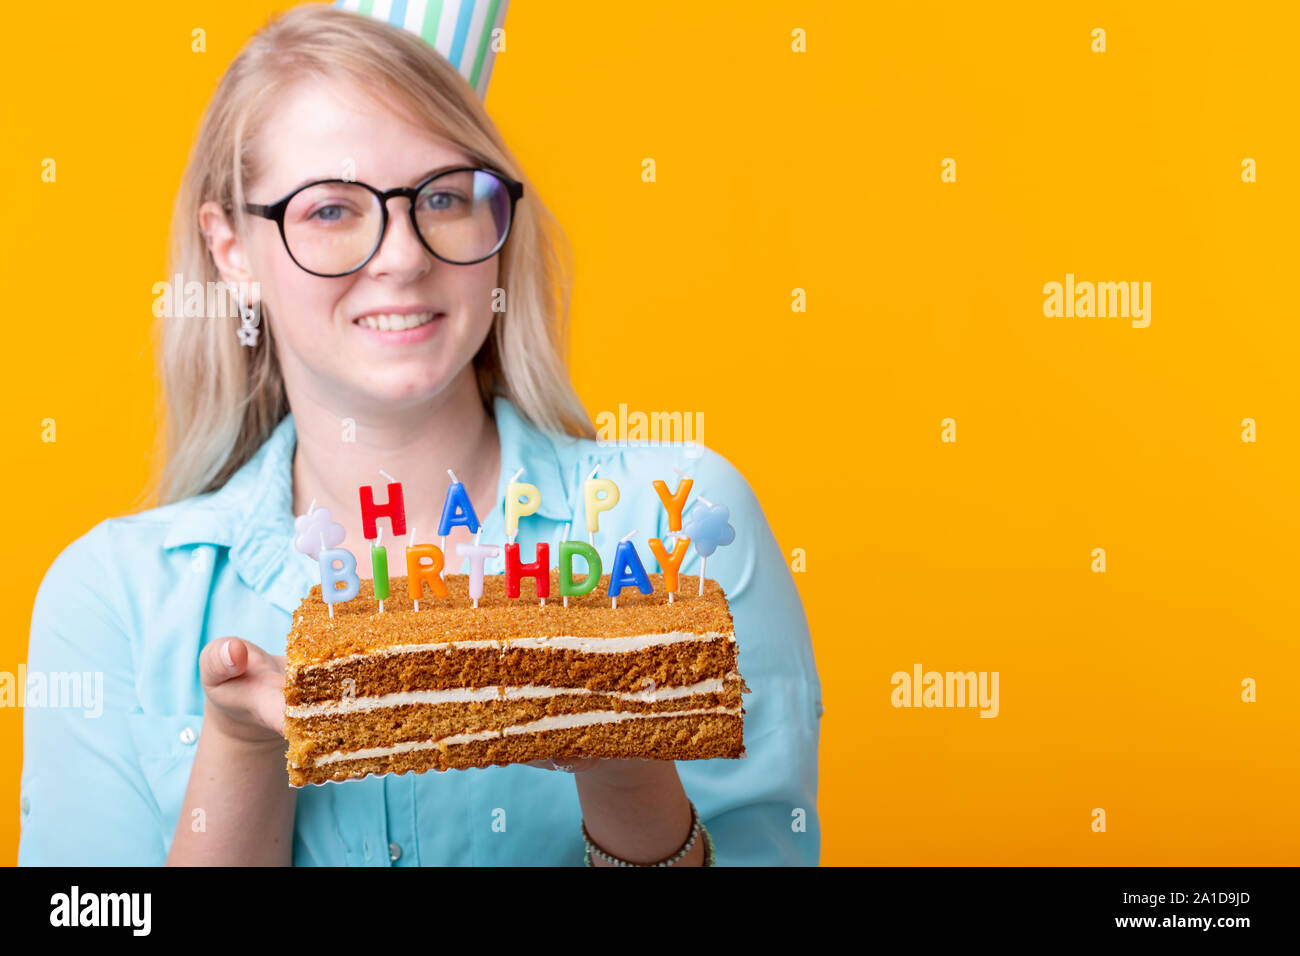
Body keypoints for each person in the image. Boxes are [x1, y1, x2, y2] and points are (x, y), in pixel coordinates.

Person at [17, 4, 823, 866]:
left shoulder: (686, 527)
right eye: (330, 211)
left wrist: (625, 774)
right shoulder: (111, 599)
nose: (402, 255)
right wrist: (244, 752)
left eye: (443, 197)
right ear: (231, 249)